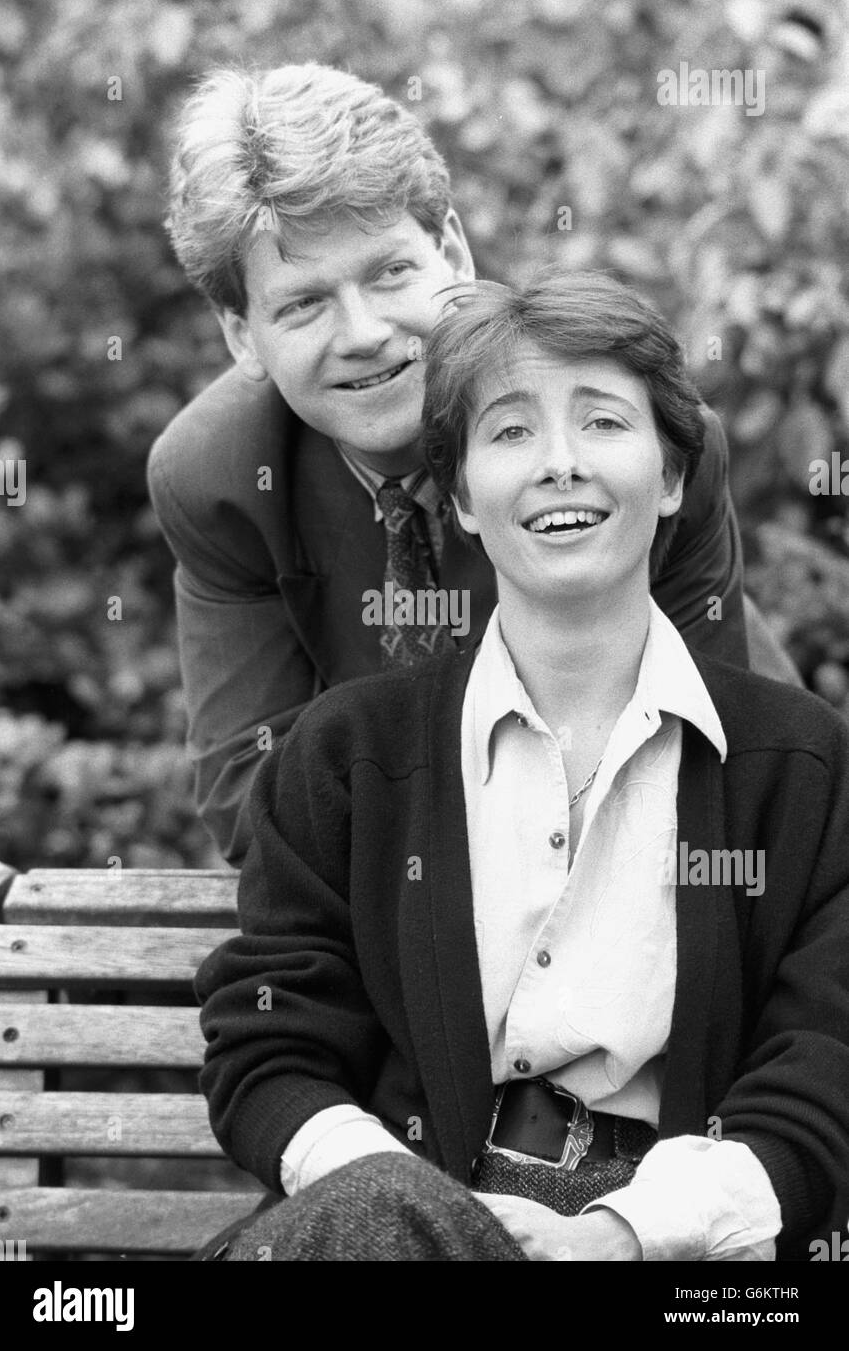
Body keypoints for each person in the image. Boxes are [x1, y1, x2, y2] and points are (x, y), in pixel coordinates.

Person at [194, 271, 849, 1262]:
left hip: (680, 1242)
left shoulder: (799, 767)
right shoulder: (344, 756)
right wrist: (414, 1212)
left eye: (600, 423)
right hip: (397, 1220)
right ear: (458, 497)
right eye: (508, 433)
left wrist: (622, 1235)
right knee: (369, 1221)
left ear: (671, 475)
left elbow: (823, 1063)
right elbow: (270, 1044)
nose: (557, 464)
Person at [147, 62, 797, 868]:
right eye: (302, 303)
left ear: (451, 249)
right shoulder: (218, 479)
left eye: (389, 272)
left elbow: (716, 768)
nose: (363, 332)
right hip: (410, 886)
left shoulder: (632, 438)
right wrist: (452, 906)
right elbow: (252, 792)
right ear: (242, 334)